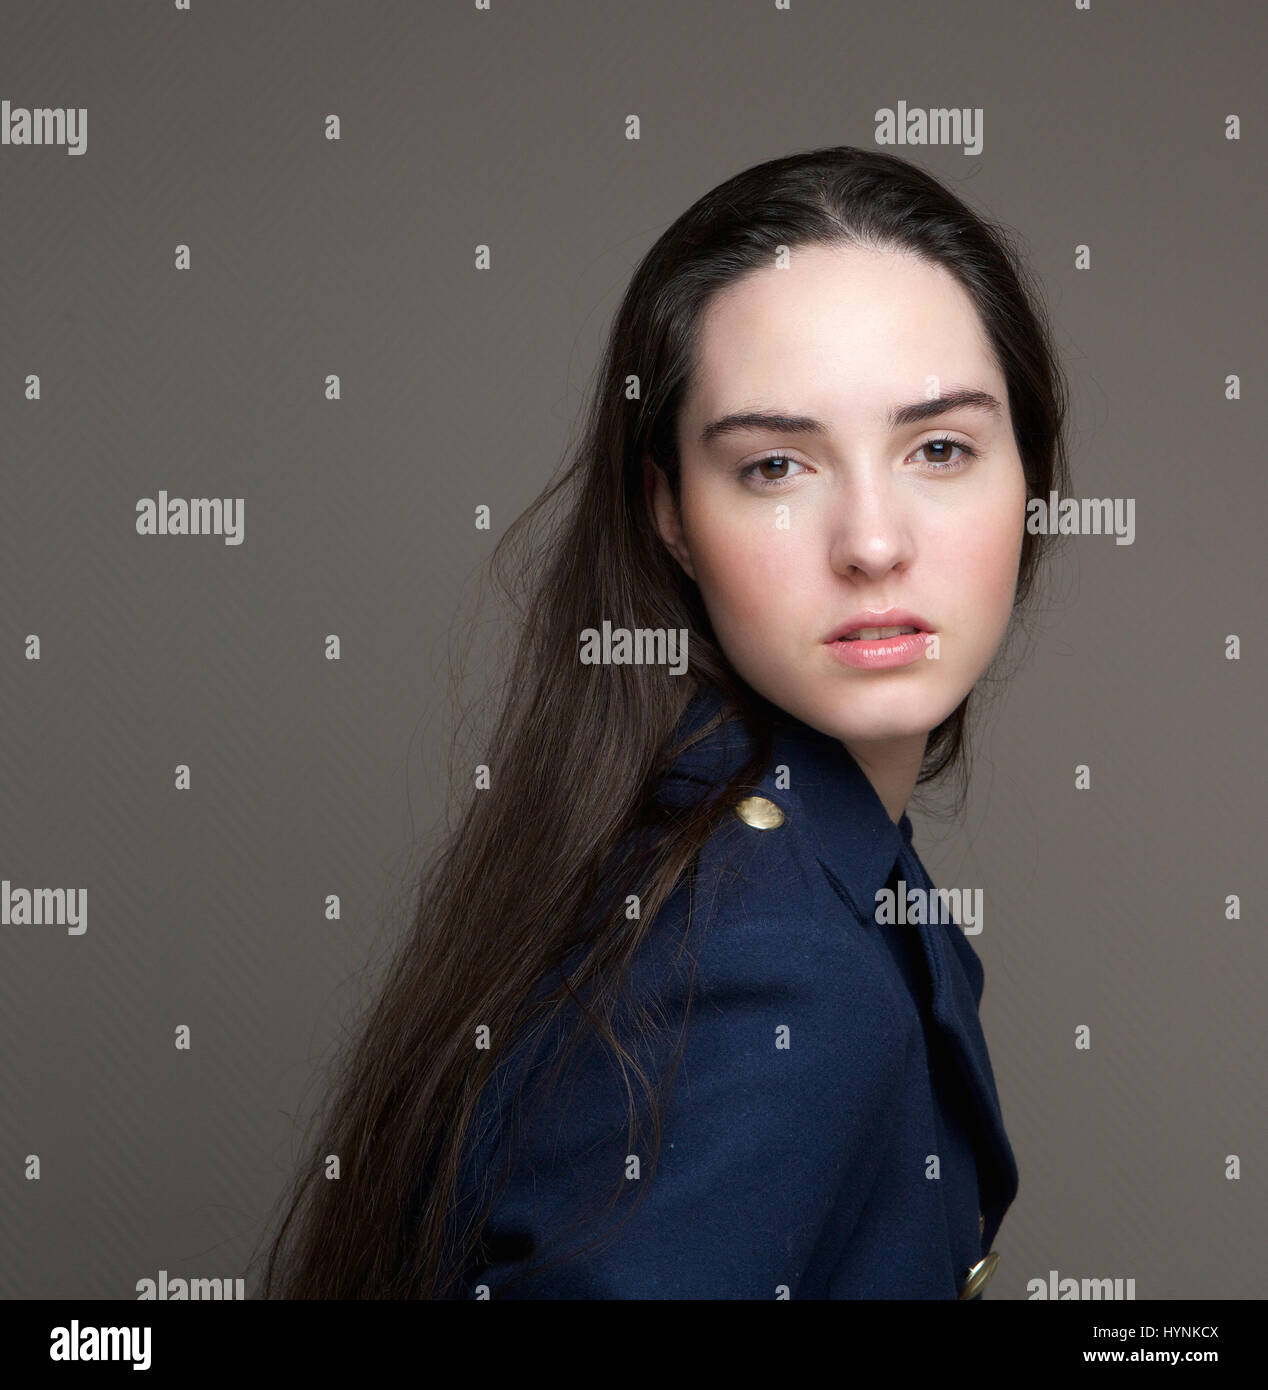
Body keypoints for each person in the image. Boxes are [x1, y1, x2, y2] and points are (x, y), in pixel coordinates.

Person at [260, 145, 1070, 1300]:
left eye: (938, 448)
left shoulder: (774, 857)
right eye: (776, 465)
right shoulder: (763, 957)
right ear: (671, 518)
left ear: (1028, 473)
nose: (873, 541)